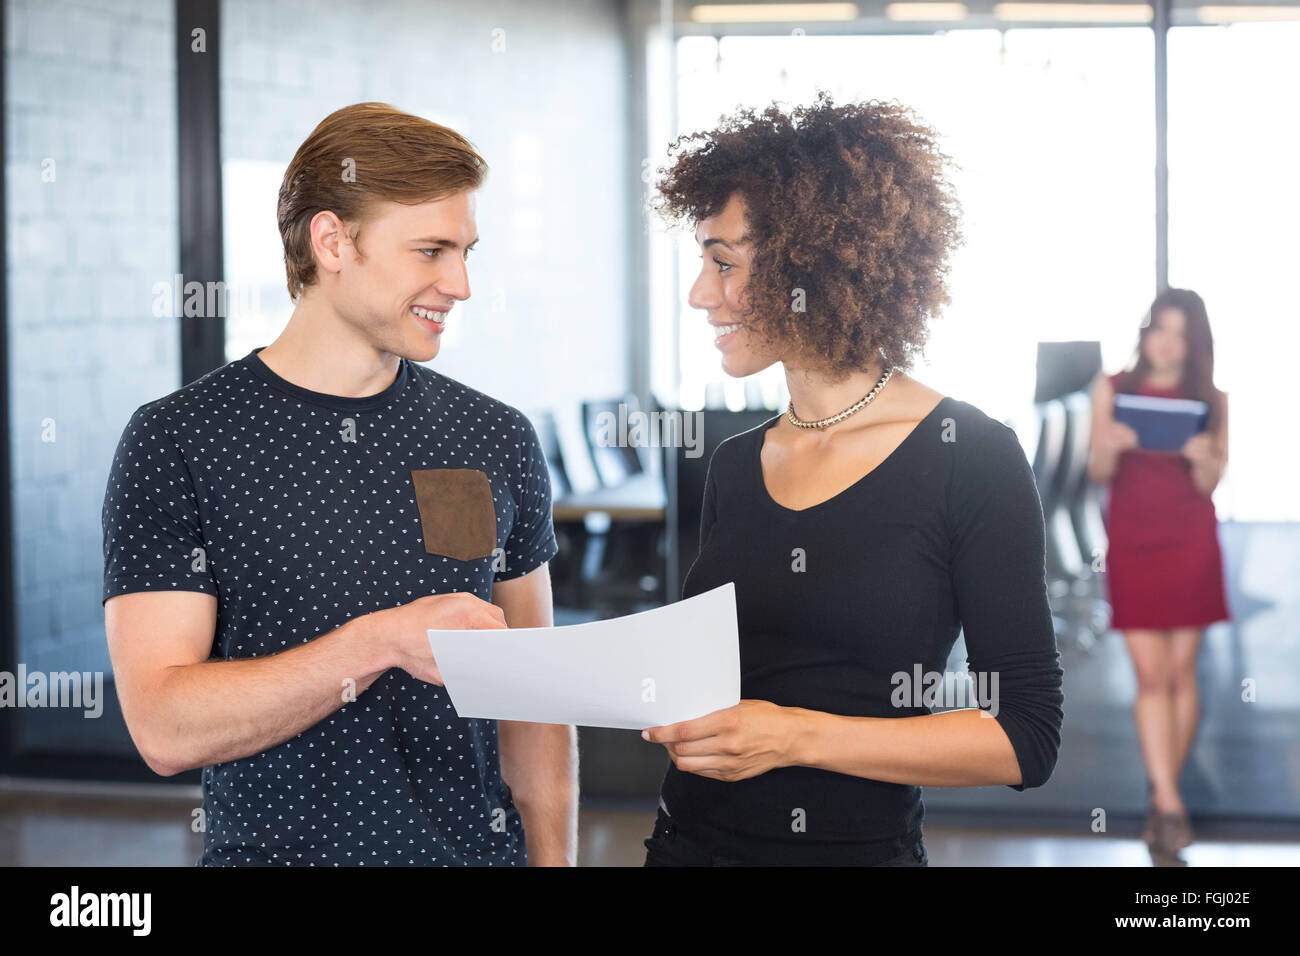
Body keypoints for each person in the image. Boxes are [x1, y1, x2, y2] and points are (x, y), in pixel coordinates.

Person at [101, 102, 577, 866]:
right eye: (431, 251)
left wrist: (554, 862)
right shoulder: (179, 441)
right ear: (331, 241)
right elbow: (163, 726)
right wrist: (380, 642)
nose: (459, 283)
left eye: (466, 252)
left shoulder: (494, 438)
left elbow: (537, 702)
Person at [639, 94, 1065, 866]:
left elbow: (1024, 738)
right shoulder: (736, 463)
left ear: (813, 263)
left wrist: (794, 737)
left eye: (724, 262)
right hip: (686, 846)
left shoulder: (968, 456)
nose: (700, 294)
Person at [1087, 288, 1230, 861]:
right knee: (1151, 675)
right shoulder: (1111, 389)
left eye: (1180, 333)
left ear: (1194, 345)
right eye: (1159, 328)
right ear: (1146, 333)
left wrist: (1204, 460)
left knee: (1179, 671)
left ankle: (1162, 804)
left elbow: (1210, 484)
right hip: (1134, 540)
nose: (1166, 342)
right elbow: (1097, 470)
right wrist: (1111, 446)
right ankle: (1170, 803)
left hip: (1191, 538)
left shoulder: (1213, 398)